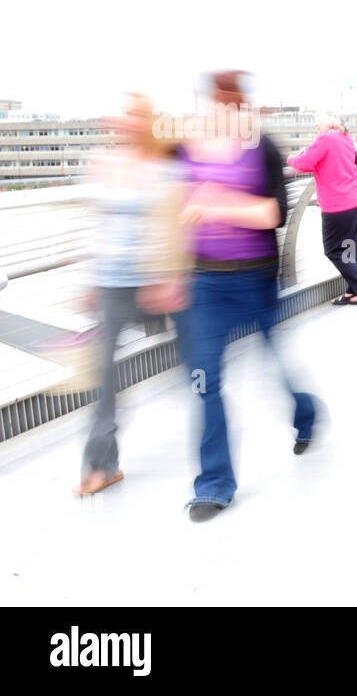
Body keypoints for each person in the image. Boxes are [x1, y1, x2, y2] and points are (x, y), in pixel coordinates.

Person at [173, 70, 320, 522]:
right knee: (205, 381)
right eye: (210, 103)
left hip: (254, 278)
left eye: (225, 104)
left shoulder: (262, 148)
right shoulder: (186, 150)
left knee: (272, 358)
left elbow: (272, 213)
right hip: (205, 283)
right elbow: (173, 211)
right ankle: (214, 483)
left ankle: (306, 411)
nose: (215, 112)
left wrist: (217, 202)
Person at [75, 93, 191, 496]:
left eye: (134, 115)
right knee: (104, 375)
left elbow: (176, 226)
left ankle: (211, 420)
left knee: (193, 365)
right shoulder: (105, 164)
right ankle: (101, 465)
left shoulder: (164, 167)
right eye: (123, 116)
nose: (125, 123)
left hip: (153, 283)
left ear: (148, 122)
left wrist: (173, 278)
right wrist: (90, 280)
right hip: (110, 284)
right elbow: (96, 223)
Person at [288, 113, 357, 305]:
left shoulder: (325, 138)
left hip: (340, 205)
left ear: (331, 123)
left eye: (320, 120)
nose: (316, 124)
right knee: (351, 247)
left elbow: (304, 164)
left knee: (332, 249)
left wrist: (291, 158)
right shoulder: (345, 139)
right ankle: (353, 293)